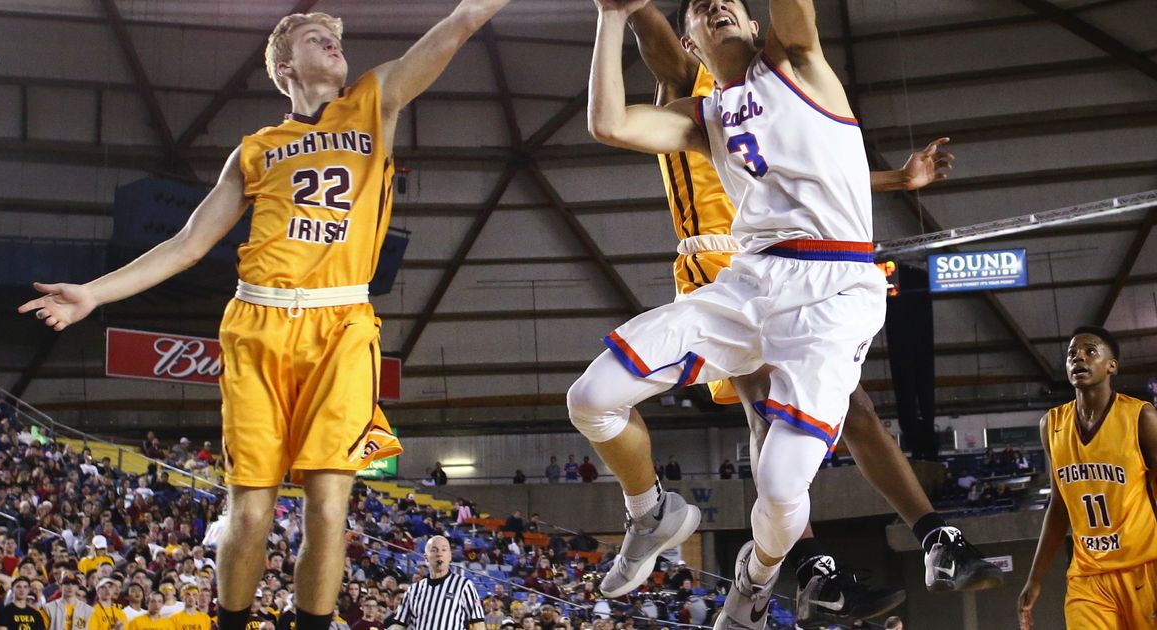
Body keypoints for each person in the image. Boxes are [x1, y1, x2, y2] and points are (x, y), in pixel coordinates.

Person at [18, 5, 513, 630]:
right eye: (316, 38)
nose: (333, 44)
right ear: (285, 67)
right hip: (258, 324)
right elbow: (189, 243)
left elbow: (459, 26)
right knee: (249, 512)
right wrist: (94, 293)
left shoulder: (376, 100)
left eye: (335, 37)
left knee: (329, 509)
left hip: (342, 325)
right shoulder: (254, 150)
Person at [571, 1, 1001, 627]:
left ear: (755, 25)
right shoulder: (696, 104)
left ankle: (770, 574)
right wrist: (617, 12)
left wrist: (896, 181)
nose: (715, 6)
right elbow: (611, 118)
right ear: (689, 43)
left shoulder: (795, 61)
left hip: (830, 281)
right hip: (737, 272)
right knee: (598, 396)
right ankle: (662, 514)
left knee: (799, 463)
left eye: (732, 4)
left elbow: (818, 143)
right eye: (699, 6)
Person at [1018, 326, 1157, 630]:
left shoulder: (1142, 418)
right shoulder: (1051, 425)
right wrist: (1035, 577)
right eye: (1071, 354)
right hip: (1087, 577)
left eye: (1090, 351)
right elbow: (1059, 506)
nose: (1078, 357)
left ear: (1112, 365)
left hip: (1144, 569)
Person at [386, 536, 484, 630]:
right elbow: (399, 624)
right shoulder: (413, 590)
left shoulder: (464, 586)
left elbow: (478, 624)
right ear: (426, 558)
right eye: (434, 550)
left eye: (444, 550)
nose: (439, 554)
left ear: (450, 556)